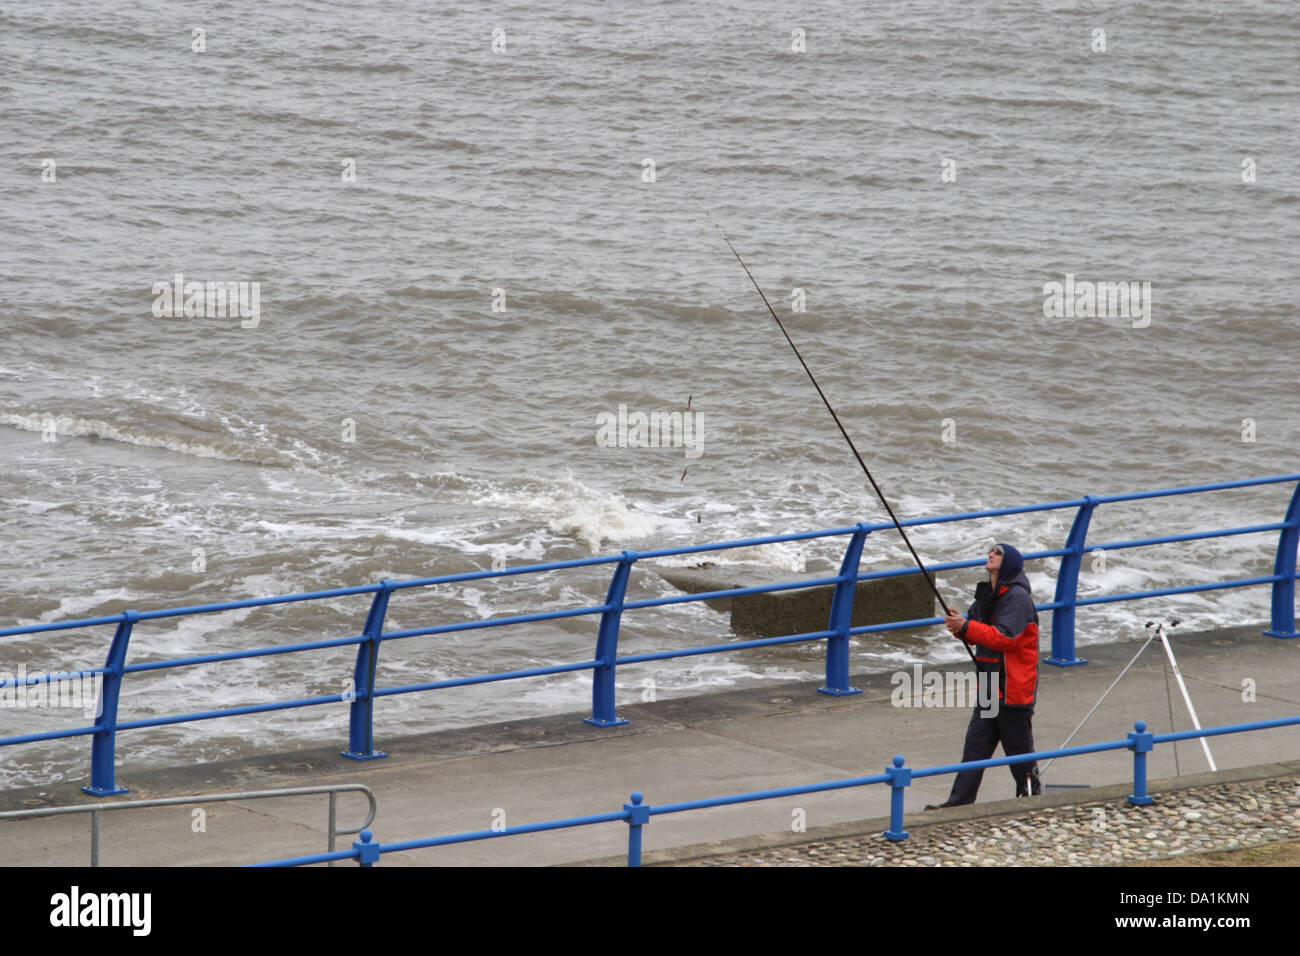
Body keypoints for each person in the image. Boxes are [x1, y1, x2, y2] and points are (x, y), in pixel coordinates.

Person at [926, 542, 1042, 808]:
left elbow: (1002, 637)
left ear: (1009, 563)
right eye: (991, 552)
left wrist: (966, 625)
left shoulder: (1018, 599)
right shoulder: (987, 595)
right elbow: (976, 630)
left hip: (1013, 690)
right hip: (990, 686)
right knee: (974, 749)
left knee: (1020, 755)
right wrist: (959, 626)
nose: (990, 555)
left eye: (997, 553)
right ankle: (958, 804)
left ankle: (1032, 802)